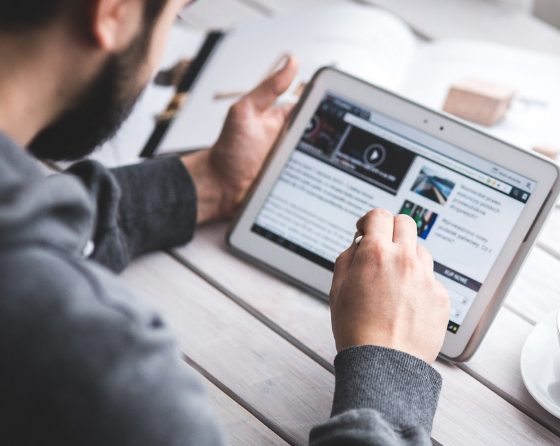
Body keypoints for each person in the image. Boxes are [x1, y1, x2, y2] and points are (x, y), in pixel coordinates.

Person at [0, 0, 451, 445]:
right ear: (113, 11)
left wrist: (207, 182)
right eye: (176, 14)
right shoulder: (106, 374)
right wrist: (390, 369)